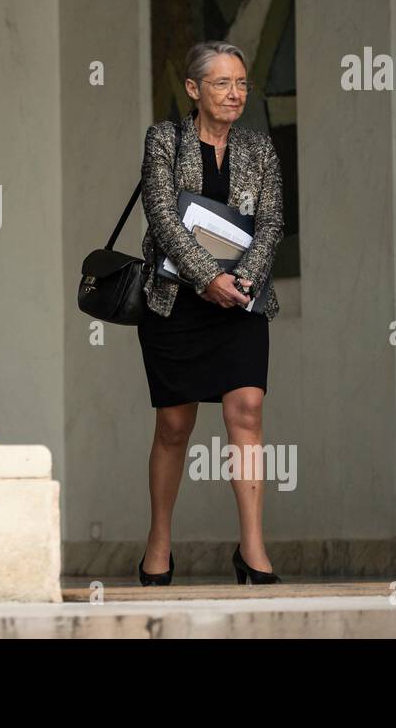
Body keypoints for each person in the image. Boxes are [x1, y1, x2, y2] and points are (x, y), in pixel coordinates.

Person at [136, 39, 285, 586]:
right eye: (222, 83)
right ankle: (159, 543)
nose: (235, 93)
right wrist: (209, 277)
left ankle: (252, 550)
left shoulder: (260, 149)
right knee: (174, 426)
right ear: (194, 89)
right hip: (177, 303)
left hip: (243, 302)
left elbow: (271, 223)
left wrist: (241, 281)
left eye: (242, 82)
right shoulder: (164, 140)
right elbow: (161, 216)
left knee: (247, 411)